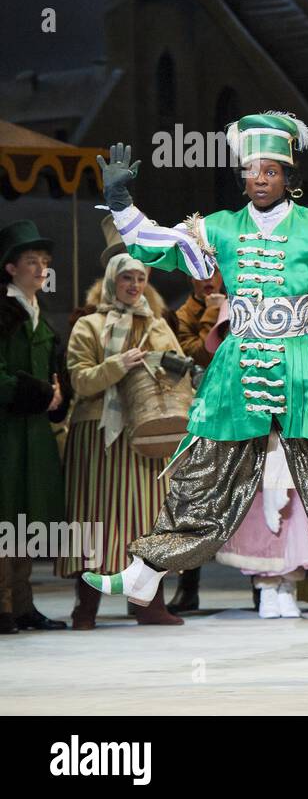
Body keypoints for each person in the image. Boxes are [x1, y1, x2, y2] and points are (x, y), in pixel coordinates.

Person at [81, 115, 308, 613]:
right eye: (252, 170)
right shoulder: (220, 226)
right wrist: (125, 207)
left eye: (270, 170)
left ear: (287, 176)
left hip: (301, 363)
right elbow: (165, 246)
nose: (259, 178)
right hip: (239, 365)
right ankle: (146, 572)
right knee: (205, 472)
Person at [58, 254, 188, 628]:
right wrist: (119, 364)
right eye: (126, 278)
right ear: (112, 281)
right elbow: (80, 381)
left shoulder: (158, 326)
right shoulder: (90, 325)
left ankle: (149, 604)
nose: (134, 285)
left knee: (148, 516)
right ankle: (86, 607)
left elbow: (179, 372)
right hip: (98, 433)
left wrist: (163, 364)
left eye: (140, 278)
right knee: (94, 518)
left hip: (148, 433)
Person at [0, 220, 69, 634]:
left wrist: (59, 393)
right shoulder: (3, 315)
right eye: (31, 261)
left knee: (25, 518)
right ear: (11, 268)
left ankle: (23, 604)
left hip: (33, 432)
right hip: (7, 431)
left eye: (44, 262)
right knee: (4, 516)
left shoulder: (38, 316)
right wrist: (39, 392)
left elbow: (54, 371)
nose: (41, 269)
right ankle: (3, 605)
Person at [166, 266, 225, 613]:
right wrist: (214, 313)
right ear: (189, 278)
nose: (209, 280)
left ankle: (262, 582)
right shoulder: (181, 315)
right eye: (201, 274)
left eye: (214, 273)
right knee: (194, 497)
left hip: (237, 405)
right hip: (199, 410)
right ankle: (189, 586)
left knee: (247, 490)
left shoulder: (243, 302)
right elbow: (198, 354)